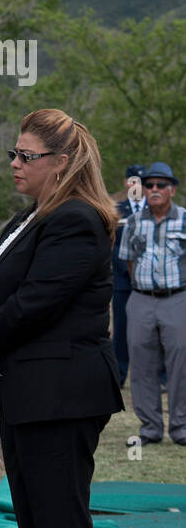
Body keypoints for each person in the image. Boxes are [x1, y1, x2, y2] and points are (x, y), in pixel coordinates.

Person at [0, 109, 123, 528]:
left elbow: (36, 303)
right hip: (30, 391)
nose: (14, 163)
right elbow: (0, 292)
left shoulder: (77, 218)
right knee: (37, 525)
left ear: (62, 162)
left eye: (26, 156)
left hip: (62, 393)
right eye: (14, 152)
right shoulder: (36, 214)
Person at [118, 161, 184, 446]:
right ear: (142, 190)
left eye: (160, 185)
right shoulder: (133, 222)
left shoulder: (184, 219)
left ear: (172, 189)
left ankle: (180, 427)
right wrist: (145, 288)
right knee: (141, 363)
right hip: (141, 299)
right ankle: (150, 428)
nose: (154, 189)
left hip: (177, 299)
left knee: (180, 362)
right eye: (149, 185)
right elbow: (129, 263)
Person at [111, 165, 148, 386]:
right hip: (123, 280)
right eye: (133, 181)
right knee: (122, 330)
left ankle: (160, 376)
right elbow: (112, 244)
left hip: (149, 280)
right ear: (127, 183)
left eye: (141, 182)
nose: (137, 186)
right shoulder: (117, 209)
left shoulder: (154, 208)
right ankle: (120, 374)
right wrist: (128, 268)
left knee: (153, 329)